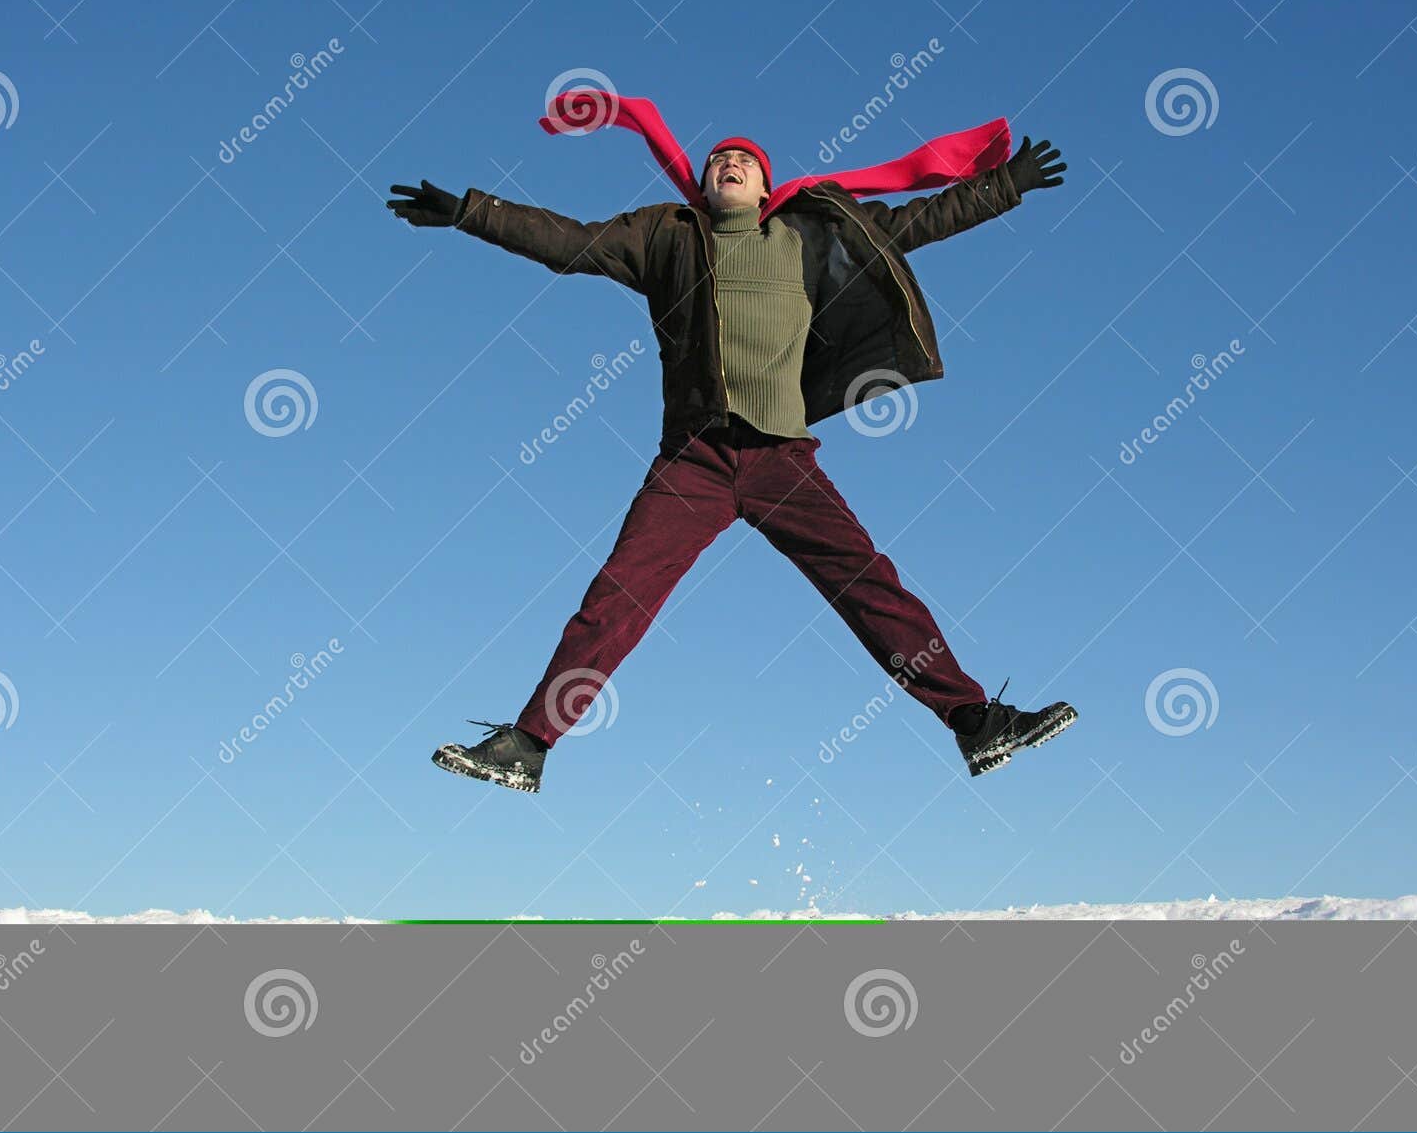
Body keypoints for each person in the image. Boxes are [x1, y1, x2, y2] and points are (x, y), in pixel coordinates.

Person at [389, 126, 1075, 794]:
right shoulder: (666, 236)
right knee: (617, 597)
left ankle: (974, 721)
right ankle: (529, 745)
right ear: (703, 180)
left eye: (744, 158)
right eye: (718, 157)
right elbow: (569, 242)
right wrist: (472, 212)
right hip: (695, 462)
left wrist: (1002, 187)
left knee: (870, 586)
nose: (730, 163)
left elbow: (917, 220)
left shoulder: (810, 235)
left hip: (783, 461)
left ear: (767, 183)